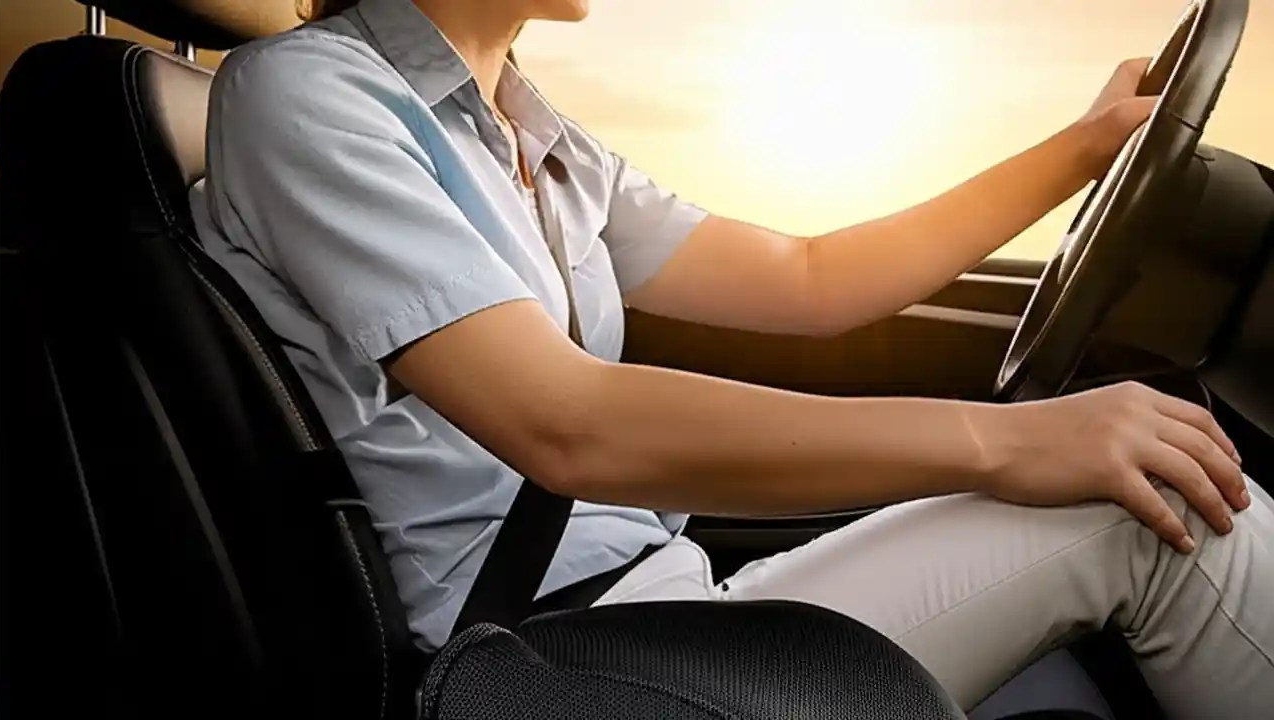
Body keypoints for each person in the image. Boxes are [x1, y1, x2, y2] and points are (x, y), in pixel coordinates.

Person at [190, 0, 1274, 716]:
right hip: (553, 659)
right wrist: (1000, 443)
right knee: (1159, 509)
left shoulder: (529, 130)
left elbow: (808, 279)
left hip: (676, 604)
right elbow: (567, 423)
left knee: (1149, 480)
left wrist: (1081, 148)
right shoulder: (307, 96)